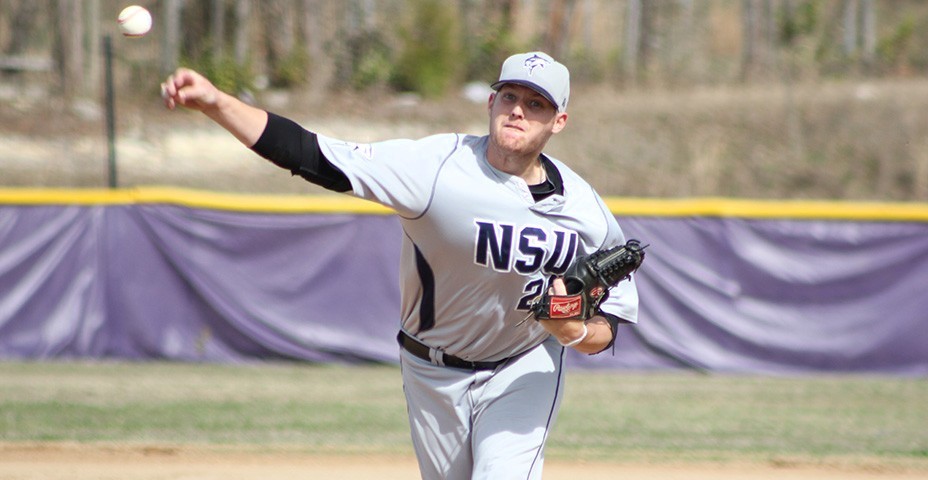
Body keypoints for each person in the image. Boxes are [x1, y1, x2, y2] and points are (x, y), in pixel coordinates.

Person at [161, 51, 639, 480]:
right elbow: (313, 155)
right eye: (509, 95)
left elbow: (608, 326)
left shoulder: (586, 211)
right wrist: (216, 103)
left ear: (559, 122)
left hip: (523, 364)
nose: (518, 109)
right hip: (432, 368)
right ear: (489, 104)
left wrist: (570, 329)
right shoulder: (434, 166)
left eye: (536, 104)